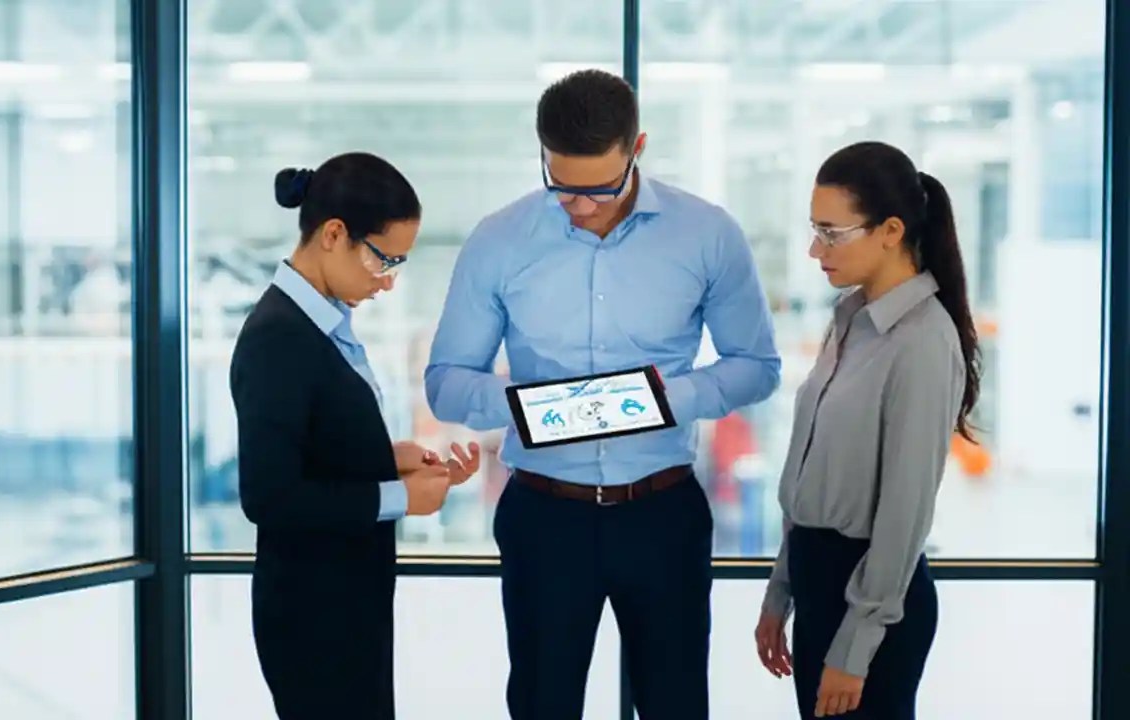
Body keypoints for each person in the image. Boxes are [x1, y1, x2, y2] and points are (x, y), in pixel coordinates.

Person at [425, 69, 781, 719]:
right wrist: (541, 410)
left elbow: (756, 365)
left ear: (636, 148)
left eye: (601, 187)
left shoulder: (707, 235)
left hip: (662, 513)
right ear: (541, 154)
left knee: (675, 704)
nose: (582, 204)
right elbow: (446, 383)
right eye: (562, 187)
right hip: (543, 517)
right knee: (541, 704)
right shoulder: (499, 240)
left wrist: (665, 398)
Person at [230, 151, 481, 720]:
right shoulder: (279, 338)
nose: (388, 282)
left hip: (346, 602)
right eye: (382, 259)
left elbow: (313, 446)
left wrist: (390, 460)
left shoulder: (325, 323)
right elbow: (268, 496)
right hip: (312, 614)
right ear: (333, 234)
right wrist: (400, 499)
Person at [754, 140, 980, 719]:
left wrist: (855, 649)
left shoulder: (923, 341)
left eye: (832, 233)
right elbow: (808, 475)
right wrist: (781, 590)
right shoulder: (850, 320)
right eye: (814, 230)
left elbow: (904, 514)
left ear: (890, 230)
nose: (814, 249)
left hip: (871, 598)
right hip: (818, 580)